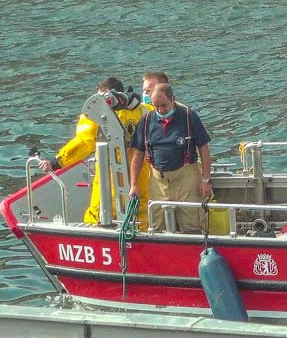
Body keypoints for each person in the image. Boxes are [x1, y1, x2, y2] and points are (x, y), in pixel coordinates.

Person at [40, 76, 149, 227]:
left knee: (98, 212)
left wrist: (57, 162)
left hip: (110, 175)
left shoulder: (98, 114)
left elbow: (84, 142)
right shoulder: (144, 111)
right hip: (141, 176)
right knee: (141, 213)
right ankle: (143, 241)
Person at [129, 83, 213, 233]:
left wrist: (205, 180)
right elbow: (138, 154)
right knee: (156, 225)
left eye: (164, 105)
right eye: (156, 106)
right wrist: (133, 185)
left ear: (173, 99)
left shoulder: (189, 116)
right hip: (158, 180)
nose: (160, 110)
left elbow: (204, 149)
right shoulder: (146, 120)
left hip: (186, 178)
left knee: (192, 224)